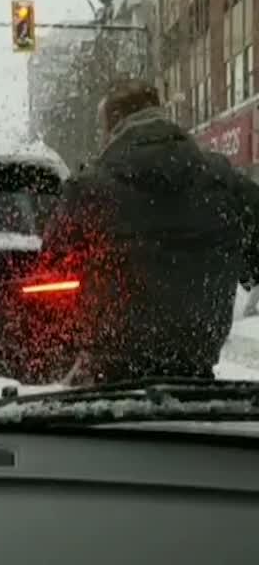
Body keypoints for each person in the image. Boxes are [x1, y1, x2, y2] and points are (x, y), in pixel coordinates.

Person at [39, 78, 259, 384]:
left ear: (112, 128)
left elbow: (52, 263)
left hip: (108, 379)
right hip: (195, 377)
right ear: (162, 115)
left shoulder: (88, 191)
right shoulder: (225, 184)